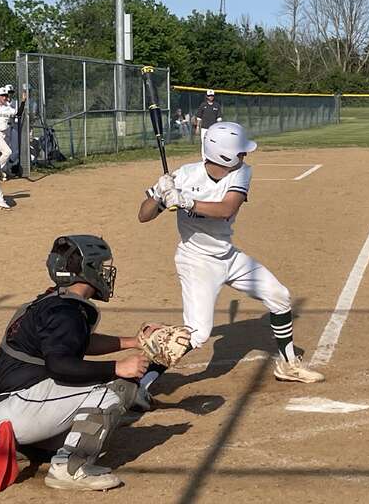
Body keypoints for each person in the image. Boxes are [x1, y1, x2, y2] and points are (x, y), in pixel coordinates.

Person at [137, 121, 324, 387]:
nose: (245, 155)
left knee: (279, 296)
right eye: (240, 151)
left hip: (228, 256)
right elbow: (143, 216)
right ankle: (141, 382)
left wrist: (186, 200)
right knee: (198, 333)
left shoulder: (241, 173)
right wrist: (159, 195)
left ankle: (288, 364)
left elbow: (226, 208)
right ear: (223, 154)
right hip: (197, 261)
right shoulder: (183, 176)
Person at [0, 235, 153, 491]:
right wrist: (117, 368)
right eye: (99, 266)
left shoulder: (50, 300)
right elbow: (60, 365)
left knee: (87, 420)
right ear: (86, 270)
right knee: (118, 388)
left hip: (12, 406)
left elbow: (76, 343)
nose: (103, 273)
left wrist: (134, 341)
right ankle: (69, 468)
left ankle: (1, 445)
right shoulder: (66, 312)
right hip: (23, 408)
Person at [0, 87, 18, 180]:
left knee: (4, 154)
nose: (4, 97)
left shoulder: (8, 107)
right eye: (2, 95)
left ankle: (4, 171)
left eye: (5, 95)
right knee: (7, 152)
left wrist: (23, 102)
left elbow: (18, 113)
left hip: (7, 132)